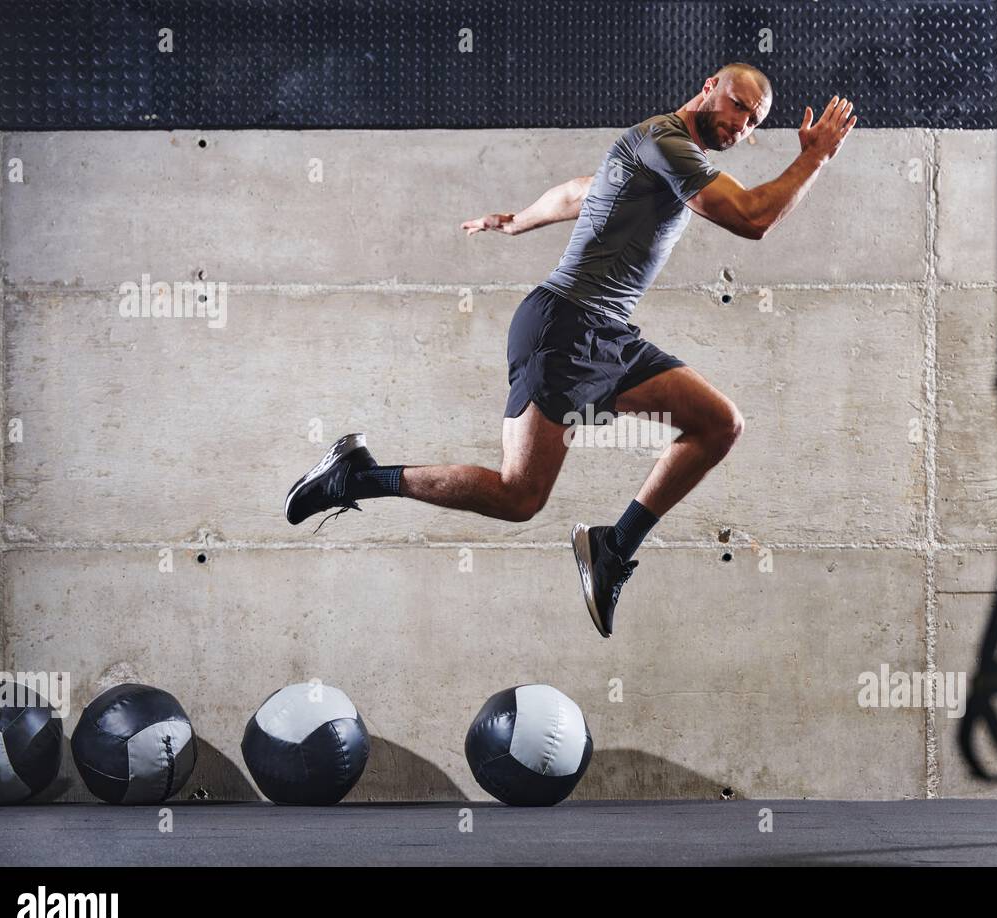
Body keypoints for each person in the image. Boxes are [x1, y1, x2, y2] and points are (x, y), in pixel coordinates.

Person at [285, 63, 857, 638]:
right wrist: (815, 158)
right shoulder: (667, 140)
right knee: (518, 496)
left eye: (752, 120)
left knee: (718, 424)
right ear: (710, 85)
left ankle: (612, 548)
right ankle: (357, 477)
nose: (739, 124)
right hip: (563, 328)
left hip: (605, 333)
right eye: (737, 104)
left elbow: (579, 192)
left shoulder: (652, 153)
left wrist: (516, 222)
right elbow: (753, 217)